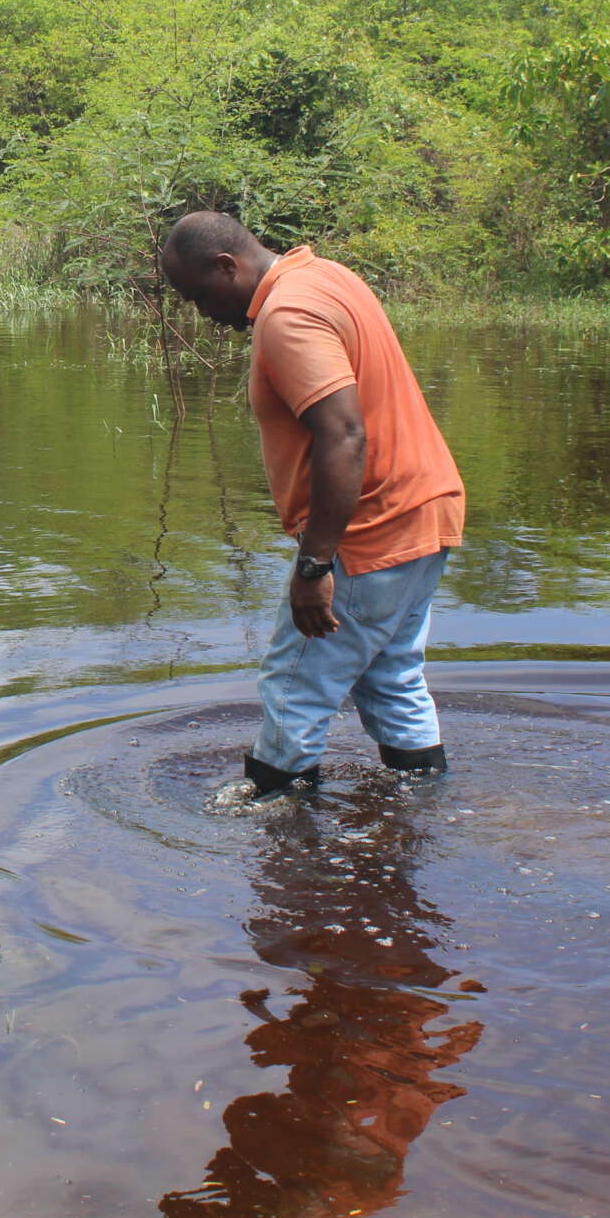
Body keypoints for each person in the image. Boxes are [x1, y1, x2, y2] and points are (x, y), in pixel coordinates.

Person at [157, 211, 465, 806]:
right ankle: (423, 809)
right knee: (391, 676)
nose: (201, 314)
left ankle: (282, 826)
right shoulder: (325, 275)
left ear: (228, 266)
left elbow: (344, 435)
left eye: (198, 295)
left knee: (294, 685)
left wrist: (315, 566)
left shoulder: (288, 315)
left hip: (371, 529)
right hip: (427, 510)